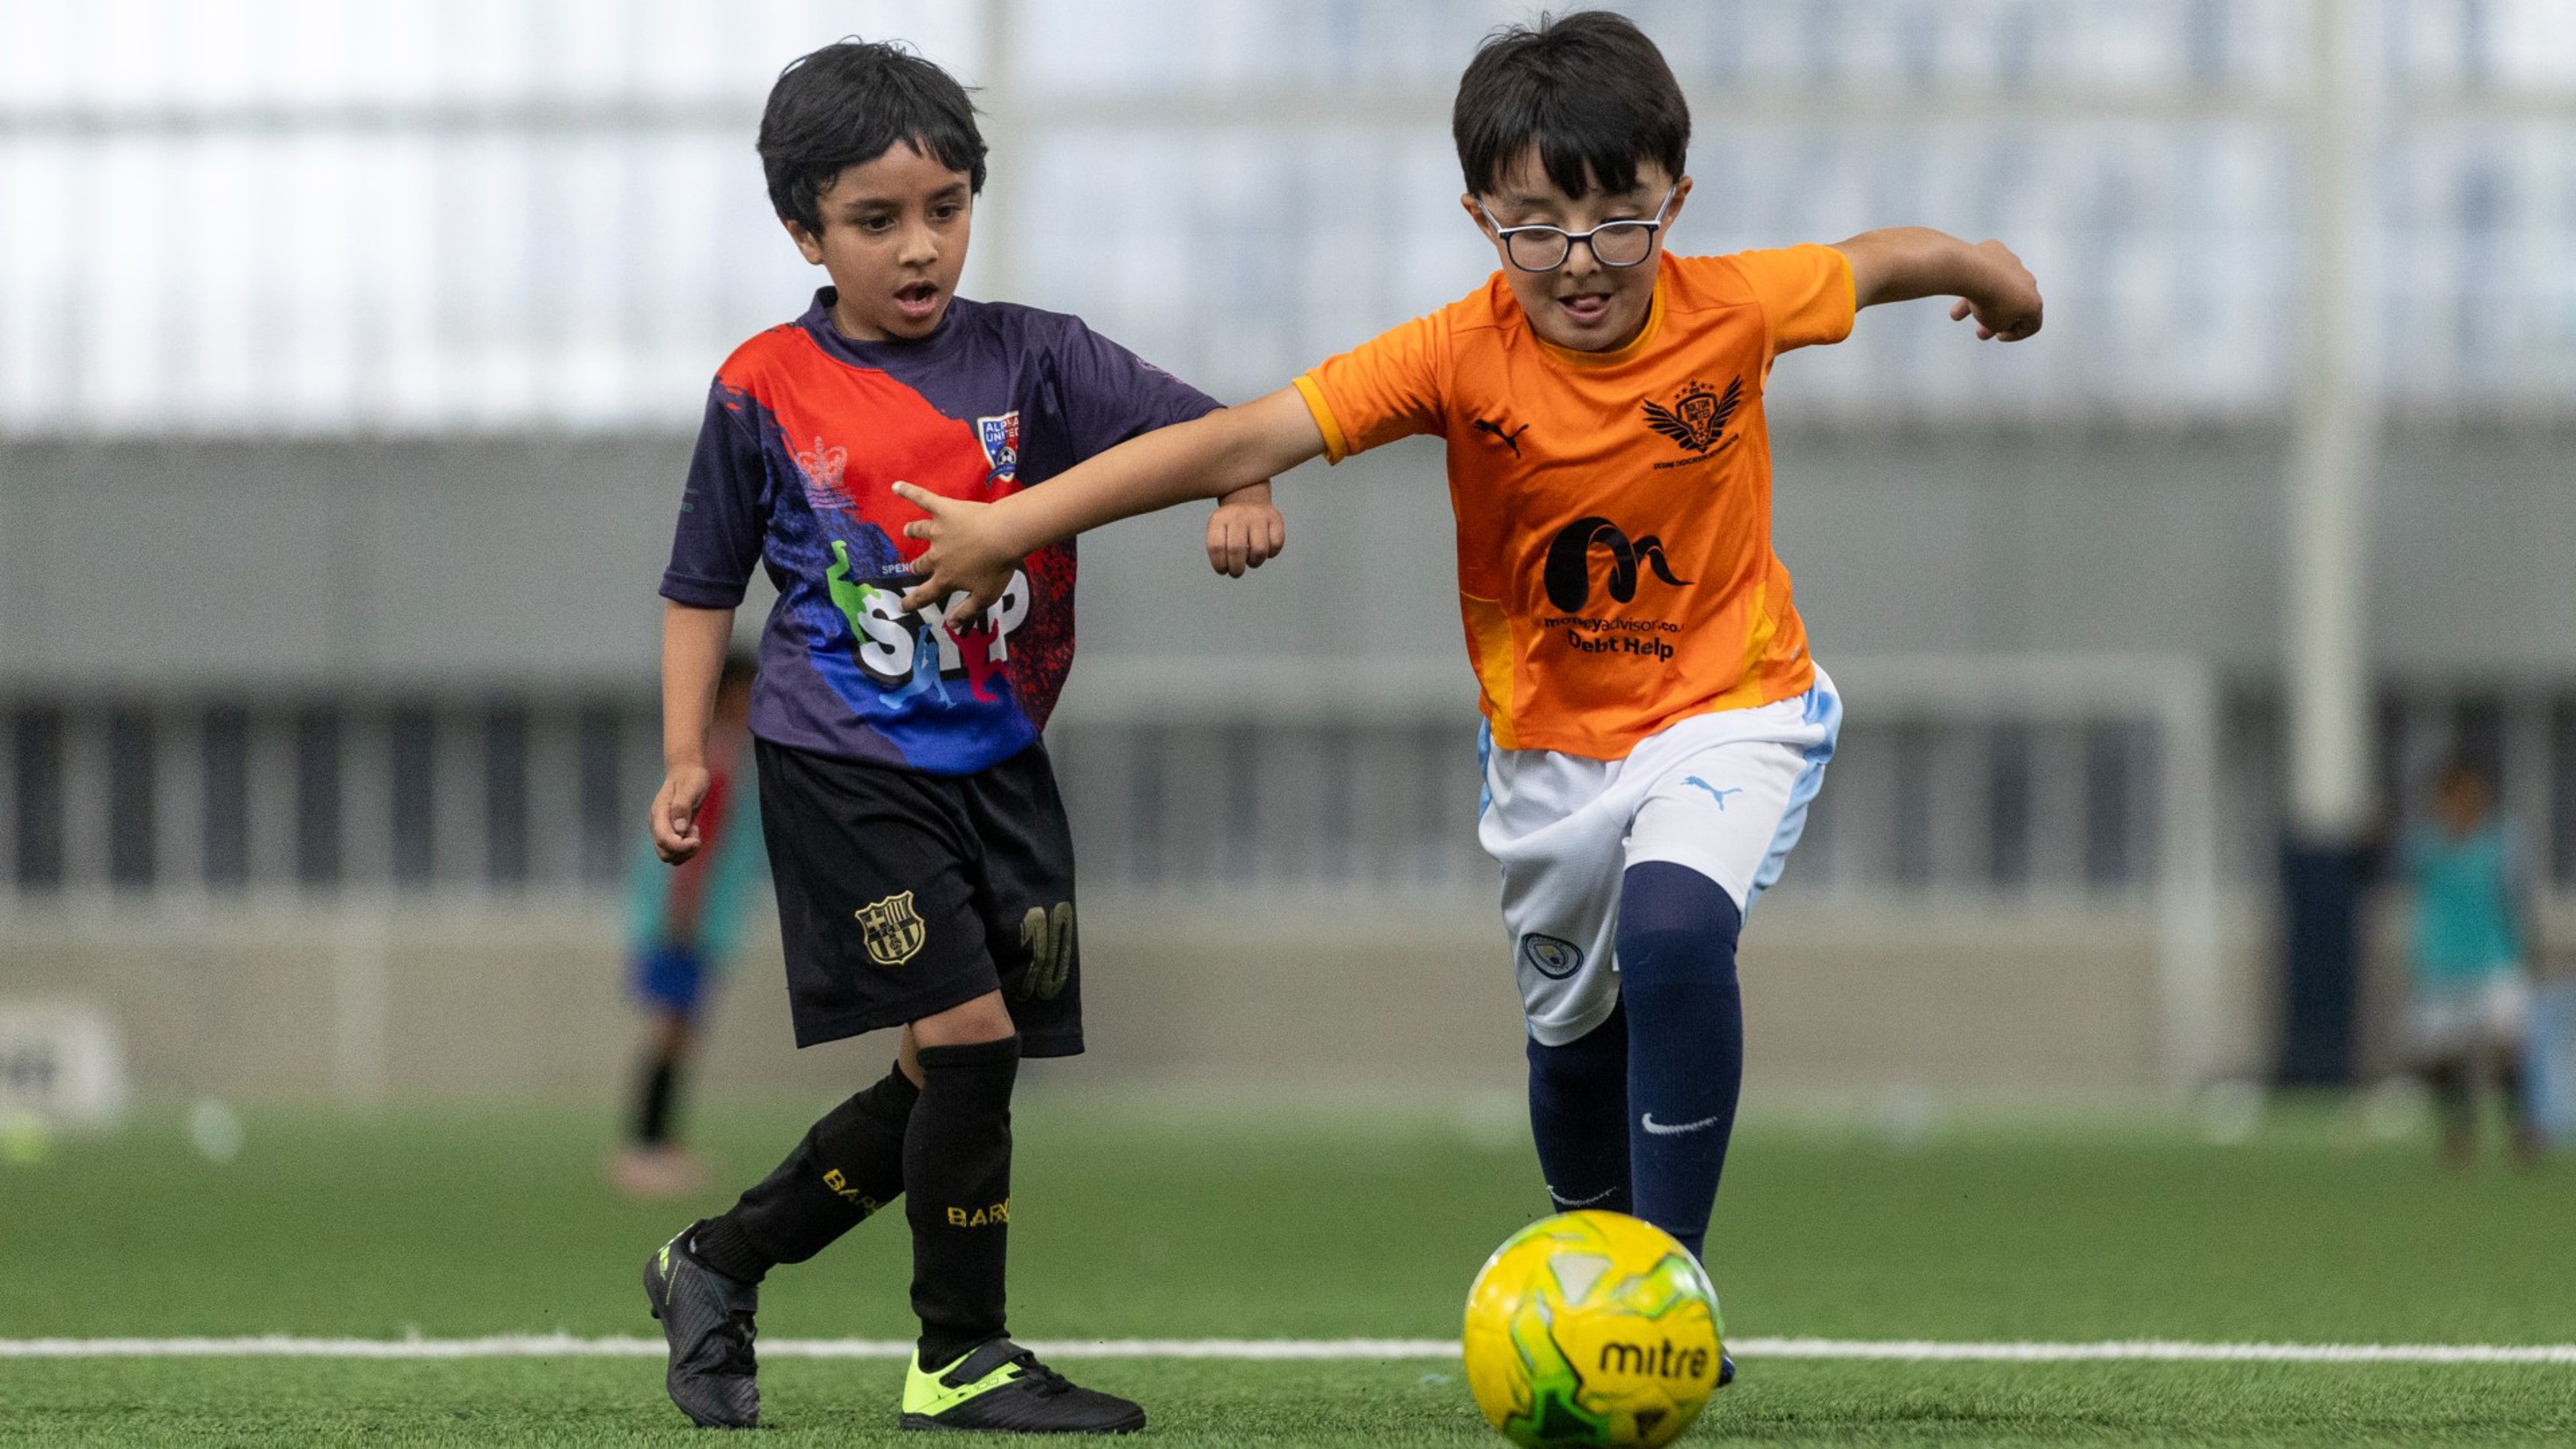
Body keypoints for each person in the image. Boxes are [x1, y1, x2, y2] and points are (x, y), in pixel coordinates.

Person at [894, 10, 2042, 1386]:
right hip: (1548, 753)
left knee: (1678, 934)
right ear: (1480, 215)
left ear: (1677, 197)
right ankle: (1589, 1242)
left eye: (1620, 221)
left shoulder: (1738, 304)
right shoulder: (1453, 355)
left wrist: (1993, 274)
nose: (1582, 262)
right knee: (1572, 1039)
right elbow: (1238, 436)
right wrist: (1015, 522)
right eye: (1536, 226)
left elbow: (1885, 258)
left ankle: (1664, 1291)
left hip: (1734, 701)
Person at [641, 39, 1281, 1432]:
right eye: (876, 220)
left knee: (951, 1067)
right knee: (973, 1030)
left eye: (945, 208)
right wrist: (690, 750)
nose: (918, 246)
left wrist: (1245, 482)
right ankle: (961, 1350)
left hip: (997, 762)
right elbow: (702, 584)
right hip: (842, 761)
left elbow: (1220, 432)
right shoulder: (763, 387)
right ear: (803, 227)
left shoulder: (1037, 357)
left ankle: (715, 1261)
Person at [611, 651, 765, 1200]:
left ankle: (659, 1143)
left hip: (696, 921)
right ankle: (643, 1148)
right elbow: (696, 848)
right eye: (748, 691)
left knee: (681, 1032)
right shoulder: (714, 763)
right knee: (671, 1033)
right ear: (725, 695)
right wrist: (683, 918)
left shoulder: (724, 758)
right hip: (686, 923)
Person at [2401, 760, 2543, 1166]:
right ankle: (2459, 1130)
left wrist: (2529, 954)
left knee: (2508, 1049)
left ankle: (2523, 1127)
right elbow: (2417, 902)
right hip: (2441, 965)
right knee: (2436, 1058)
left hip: (2495, 960)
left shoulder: (2502, 843)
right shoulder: (2423, 847)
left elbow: (2518, 902)